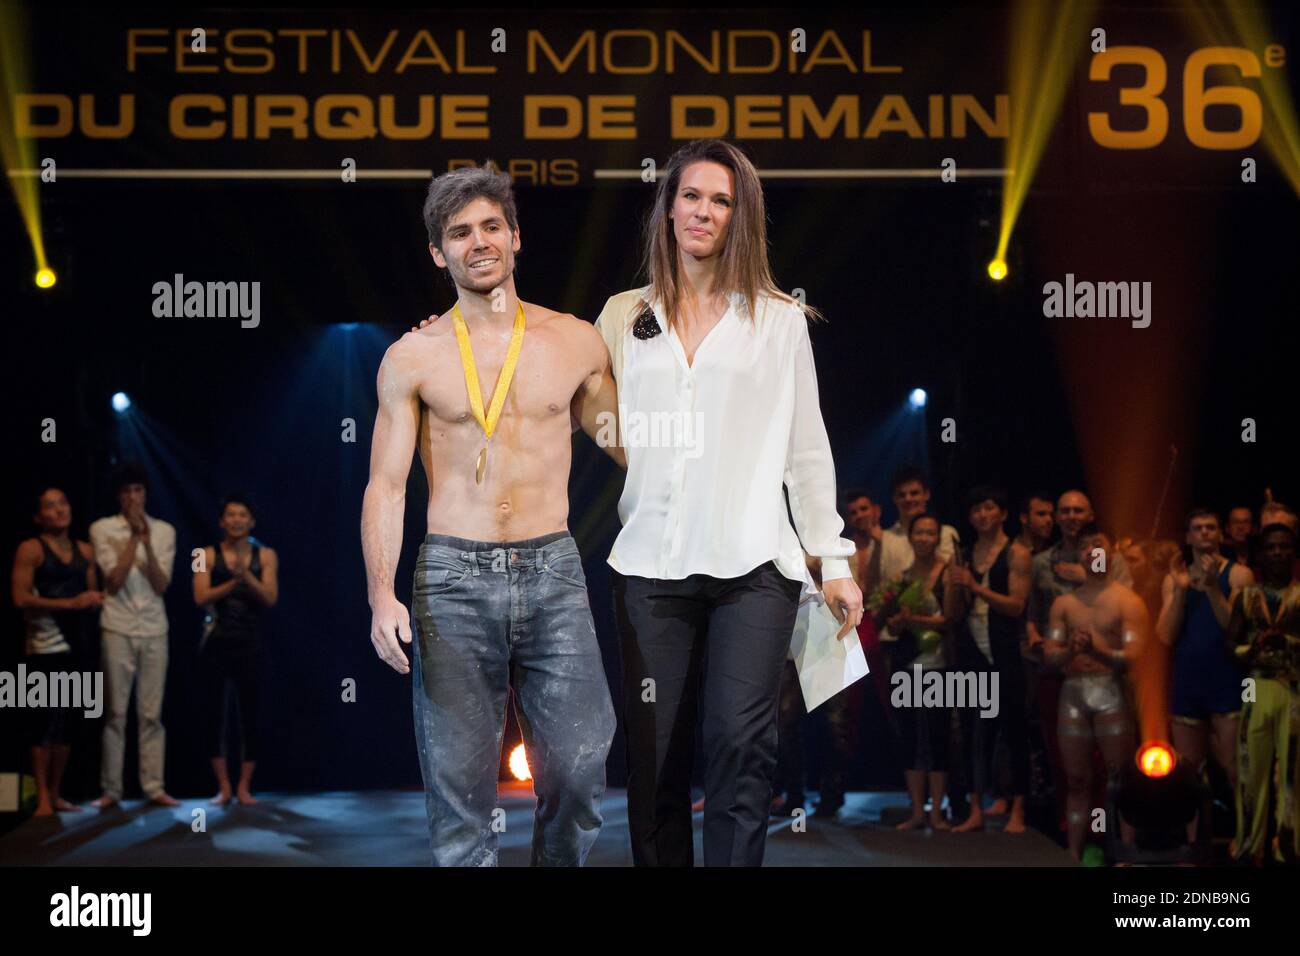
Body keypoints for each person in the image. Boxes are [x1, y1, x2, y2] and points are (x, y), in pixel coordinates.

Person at [594, 138, 862, 866]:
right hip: (650, 565)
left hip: (754, 562)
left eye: (721, 200)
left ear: (741, 217)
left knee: (741, 747)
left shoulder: (778, 320)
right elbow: (579, 403)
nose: (704, 211)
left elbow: (806, 446)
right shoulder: (622, 315)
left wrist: (833, 559)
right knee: (655, 761)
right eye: (692, 196)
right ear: (669, 205)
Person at [367, 164, 618, 867]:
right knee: (458, 798)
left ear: (515, 236)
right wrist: (379, 593)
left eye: (489, 226)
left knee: (576, 771)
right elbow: (385, 485)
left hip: (554, 568)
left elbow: (628, 444)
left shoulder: (575, 341)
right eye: (458, 233)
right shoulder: (410, 357)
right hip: (451, 576)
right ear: (437, 253)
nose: (477, 242)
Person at [1045, 524, 1147, 860]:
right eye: (1086, 546)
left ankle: (1123, 851)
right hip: (1073, 692)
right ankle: (1074, 851)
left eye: (1099, 545)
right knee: (1076, 778)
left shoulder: (1127, 601)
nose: (1092, 551)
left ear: (1111, 553)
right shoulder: (1064, 603)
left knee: (1120, 781)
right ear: (1079, 555)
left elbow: (1133, 657)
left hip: (1110, 691)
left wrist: (1098, 651)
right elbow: (1051, 654)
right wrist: (1072, 651)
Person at [89, 463, 178, 809]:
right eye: (126, 492)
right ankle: (111, 789)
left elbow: (162, 584)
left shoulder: (165, 531)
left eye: (138, 491)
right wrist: (132, 538)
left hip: (155, 626)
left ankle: (153, 786)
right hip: (117, 625)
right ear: (119, 496)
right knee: (115, 712)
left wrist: (147, 541)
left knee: (151, 713)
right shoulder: (102, 529)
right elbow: (113, 580)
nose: (132, 498)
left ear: (145, 494)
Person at [10, 486, 102, 816]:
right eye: (50, 506)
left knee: (70, 722)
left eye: (63, 502)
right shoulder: (30, 549)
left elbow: (92, 594)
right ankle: (42, 799)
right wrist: (68, 603)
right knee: (43, 721)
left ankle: (56, 791)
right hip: (44, 645)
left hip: (78, 644)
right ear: (38, 517)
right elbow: (20, 598)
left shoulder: (85, 550)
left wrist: (93, 601)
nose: (59, 510)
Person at [946, 486, 1032, 833]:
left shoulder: (1017, 552)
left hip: (1006, 650)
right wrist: (955, 583)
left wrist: (976, 585)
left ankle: (1018, 810)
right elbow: (953, 614)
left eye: (988, 507)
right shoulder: (965, 553)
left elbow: (1016, 606)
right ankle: (976, 809)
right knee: (973, 733)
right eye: (976, 510)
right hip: (971, 651)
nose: (982, 515)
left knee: (1013, 731)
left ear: (1002, 513)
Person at [1157, 510, 1253, 798]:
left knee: (1235, 767)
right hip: (1188, 679)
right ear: (1187, 537)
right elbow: (1164, 635)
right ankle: (1192, 839)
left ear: (1221, 534)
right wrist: (1182, 591)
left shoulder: (1238, 574)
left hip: (1228, 678)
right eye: (1197, 528)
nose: (1204, 533)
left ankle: (1246, 837)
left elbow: (1234, 629)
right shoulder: (1175, 578)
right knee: (1188, 771)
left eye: (1210, 527)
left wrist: (1212, 588)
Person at [192, 493, 279, 806]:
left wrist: (247, 577)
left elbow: (270, 597)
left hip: (250, 642)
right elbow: (200, 596)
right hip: (216, 641)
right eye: (230, 514)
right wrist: (233, 582)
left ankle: (244, 786)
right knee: (214, 715)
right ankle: (223, 786)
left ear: (251, 521)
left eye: (242, 514)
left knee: (249, 716)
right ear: (222, 521)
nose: (236, 520)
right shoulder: (204, 553)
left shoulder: (266, 555)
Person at [1227, 523, 1300, 864]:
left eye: (1284, 546)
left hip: (1294, 686)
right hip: (1254, 684)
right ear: (1261, 553)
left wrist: (1285, 642)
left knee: (1292, 772)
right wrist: (1250, 648)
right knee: (1249, 767)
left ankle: (1288, 847)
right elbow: (1229, 645)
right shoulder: (1246, 596)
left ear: (1293, 552)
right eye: (1271, 547)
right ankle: (1248, 846)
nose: (1277, 553)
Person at [889, 513, 954, 831]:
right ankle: (917, 811)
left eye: (931, 532)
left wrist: (915, 620)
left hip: (940, 666)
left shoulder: (949, 573)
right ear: (911, 537)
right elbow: (891, 621)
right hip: (907, 665)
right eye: (920, 533)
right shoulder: (903, 576)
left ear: (937, 537)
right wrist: (897, 621)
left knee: (939, 738)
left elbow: (951, 620)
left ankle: (938, 813)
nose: (925, 538)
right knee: (910, 739)